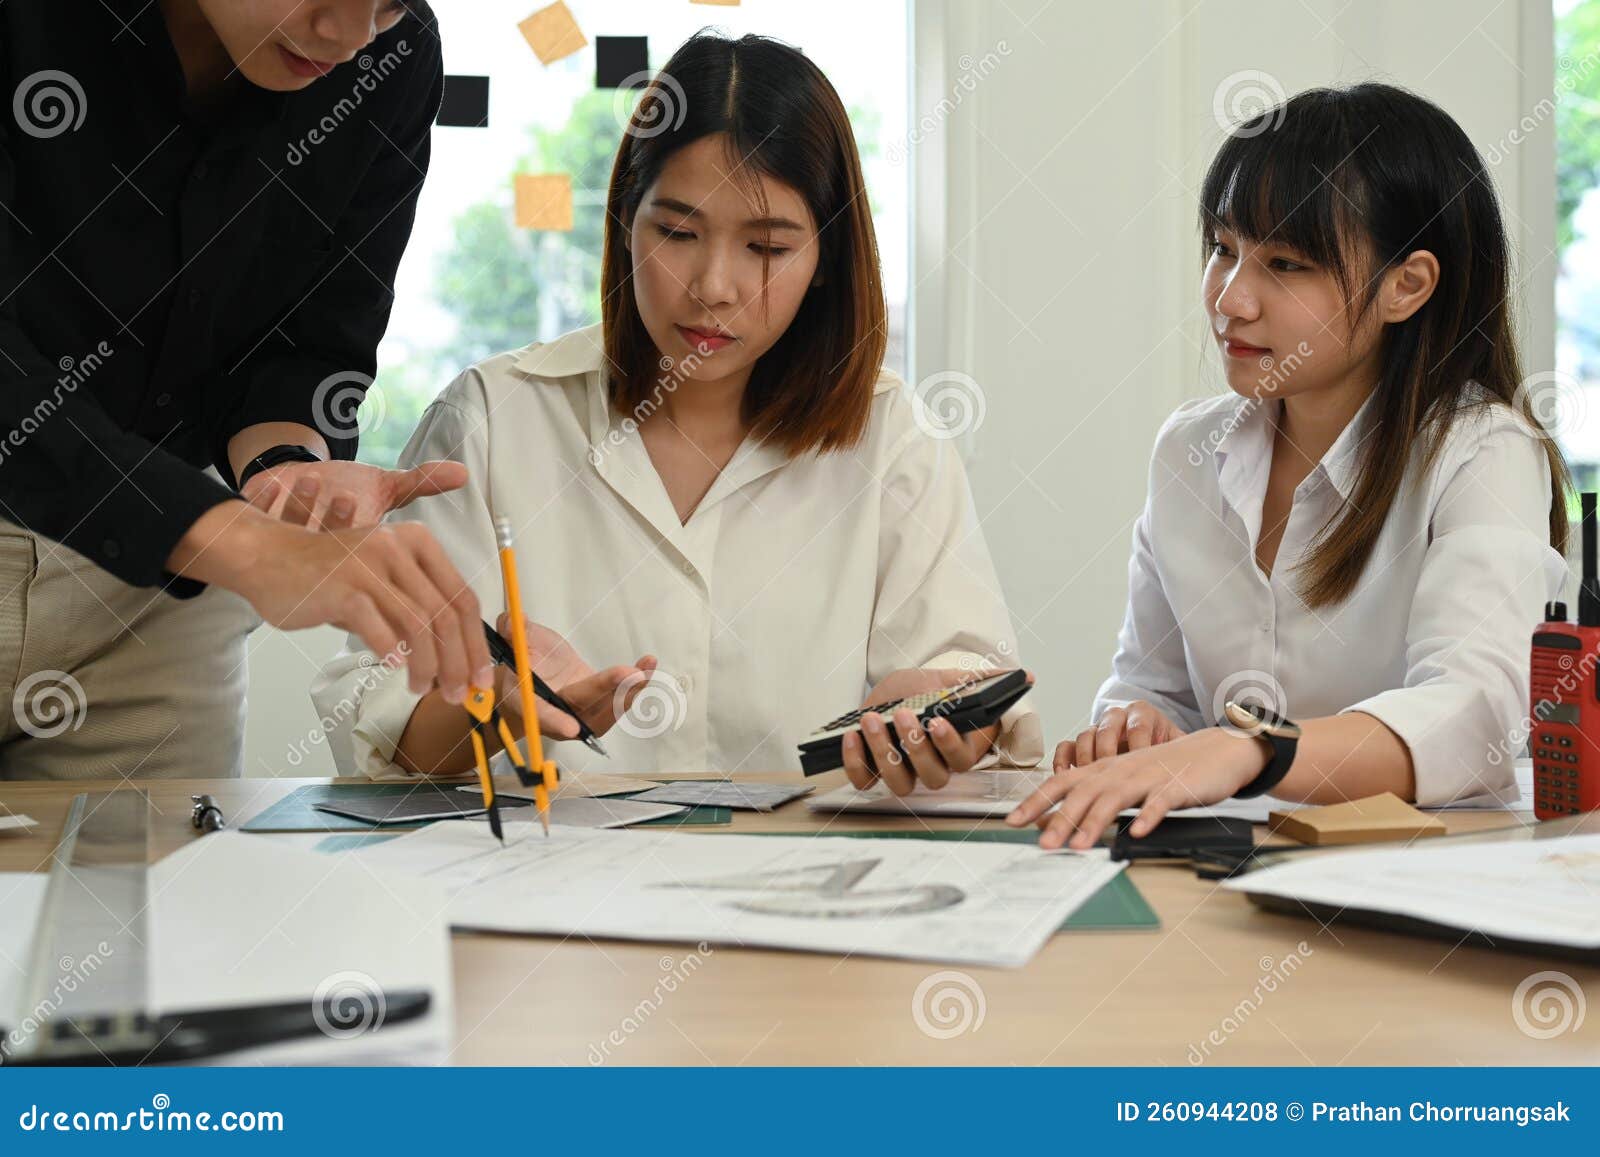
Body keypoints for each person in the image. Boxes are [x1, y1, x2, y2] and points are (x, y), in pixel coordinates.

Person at [313, 31, 1039, 782]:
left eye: (767, 248)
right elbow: (381, 736)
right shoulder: (494, 419)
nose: (715, 286)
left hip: (802, 889)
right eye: (679, 232)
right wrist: (498, 708)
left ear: (827, 257)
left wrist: (949, 716)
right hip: (550, 887)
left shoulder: (894, 439)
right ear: (625, 220)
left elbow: (975, 695)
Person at [1009, 83, 1571, 849]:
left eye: (1285, 263)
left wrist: (1250, 750)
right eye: (1222, 249)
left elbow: (1473, 714)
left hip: (1417, 892)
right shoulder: (1189, 450)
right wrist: (1132, 728)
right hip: (1226, 875)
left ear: (1406, 286)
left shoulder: (1482, 451)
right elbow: (1151, 686)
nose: (1231, 300)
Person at [0, 1, 495, 779]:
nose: (352, 34)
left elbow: (308, 343)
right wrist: (239, 542)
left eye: (390, 1)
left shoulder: (392, 58)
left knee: (162, 894)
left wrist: (286, 474)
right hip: (190, 537)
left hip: (156, 605)